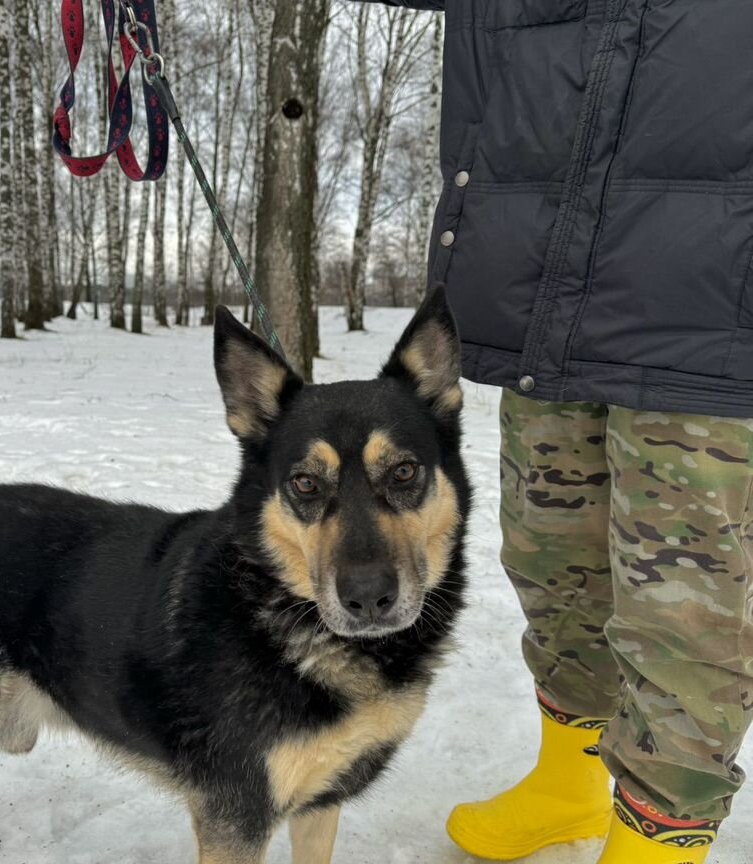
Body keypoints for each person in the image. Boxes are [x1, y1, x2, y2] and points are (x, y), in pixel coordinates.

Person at [356, 2, 753, 862]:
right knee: (553, 561)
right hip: (545, 282)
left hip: (710, 301)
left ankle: (661, 840)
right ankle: (568, 781)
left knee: (681, 603)